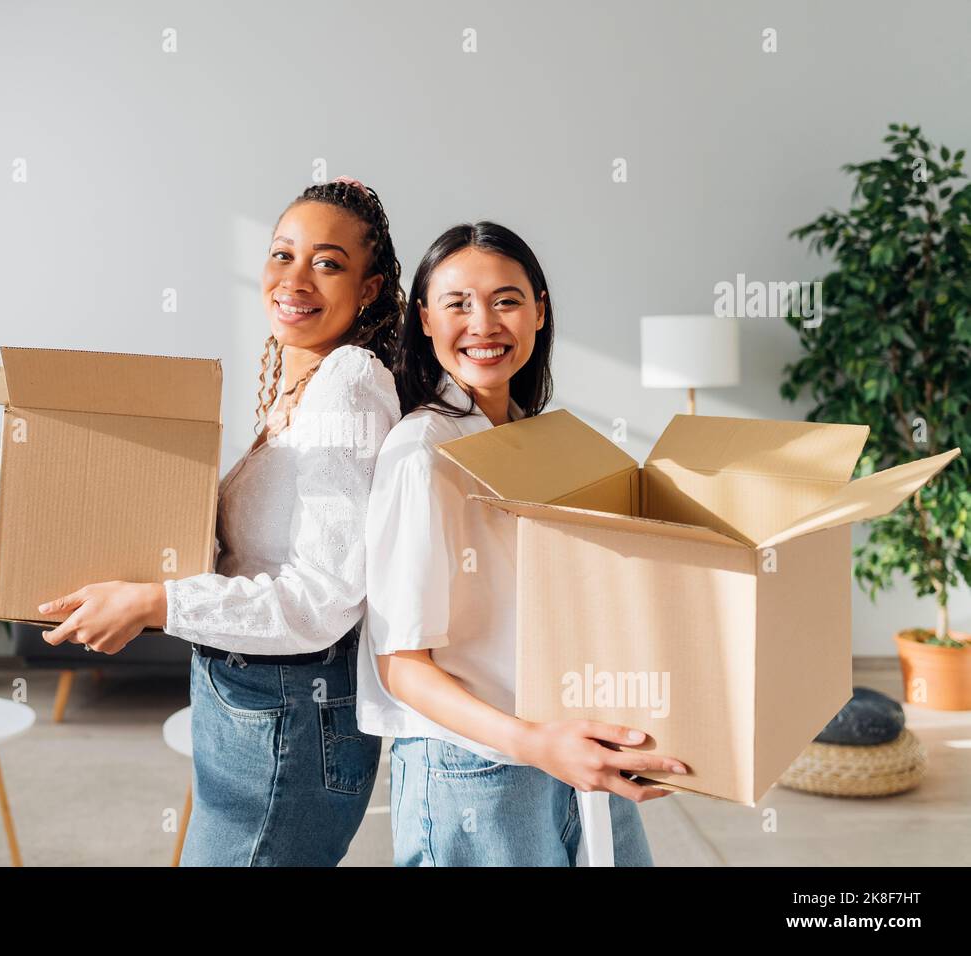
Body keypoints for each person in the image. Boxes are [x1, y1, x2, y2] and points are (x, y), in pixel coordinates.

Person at [38, 178, 403, 866]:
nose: (294, 279)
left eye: (327, 263)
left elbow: (323, 599)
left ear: (370, 289)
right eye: (282, 254)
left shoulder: (348, 383)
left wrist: (156, 602)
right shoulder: (304, 384)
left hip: (291, 706)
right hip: (251, 693)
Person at [358, 221, 688, 866]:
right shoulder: (421, 455)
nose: (483, 324)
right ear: (424, 319)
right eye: (457, 303)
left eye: (505, 300)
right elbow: (401, 665)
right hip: (476, 770)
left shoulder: (536, 441)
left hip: (572, 747)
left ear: (539, 310)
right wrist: (536, 745)